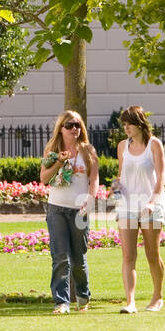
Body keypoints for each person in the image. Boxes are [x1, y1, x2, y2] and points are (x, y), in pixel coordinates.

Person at [40, 111, 99, 314]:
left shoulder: (88, 151)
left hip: (79, 210)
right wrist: (59, 162)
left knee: (78, 258)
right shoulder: (52, 151)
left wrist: (91, 200)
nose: (75, 128)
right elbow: (44, 179)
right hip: (56, 209)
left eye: (77, 125)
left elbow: (94, 178)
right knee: (60, 257)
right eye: (70, 125)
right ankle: (61, 302)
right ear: (61, 129)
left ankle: (83, 296)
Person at [114, 105, 165, 313]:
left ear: (140, 123)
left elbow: (161, 176)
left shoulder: (154, 145)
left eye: (129, 123)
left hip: (151, 206)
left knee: (152, 253)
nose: (126, 127)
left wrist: (153, 201)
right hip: (127, 206)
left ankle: (157, 297)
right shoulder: (121, 146)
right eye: (124, 123)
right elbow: (121, 174)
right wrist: (115, 190)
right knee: (128, 255)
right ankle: (130, 302)